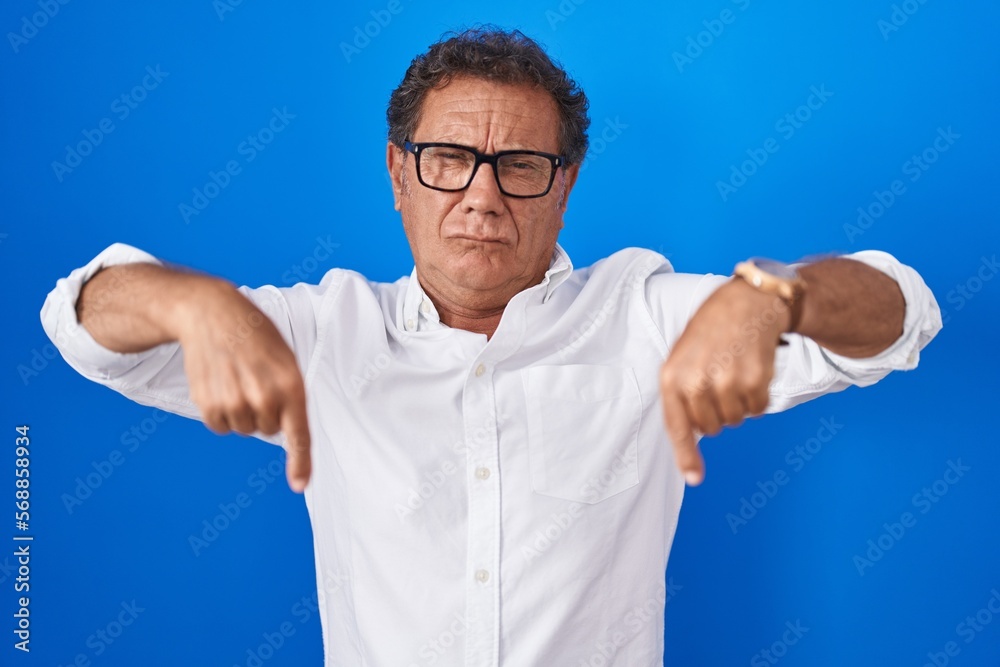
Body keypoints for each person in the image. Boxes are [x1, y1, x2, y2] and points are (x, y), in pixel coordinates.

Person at [42, 27, 941, 667]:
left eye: (519, 165)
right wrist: (194, 303)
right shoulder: (323, 332)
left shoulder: (648, 315)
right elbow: (83, 328)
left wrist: (771, 293)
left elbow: (904, 313)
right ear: (400, 175)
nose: (482, 196)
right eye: (447, 158)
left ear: (564, 185)